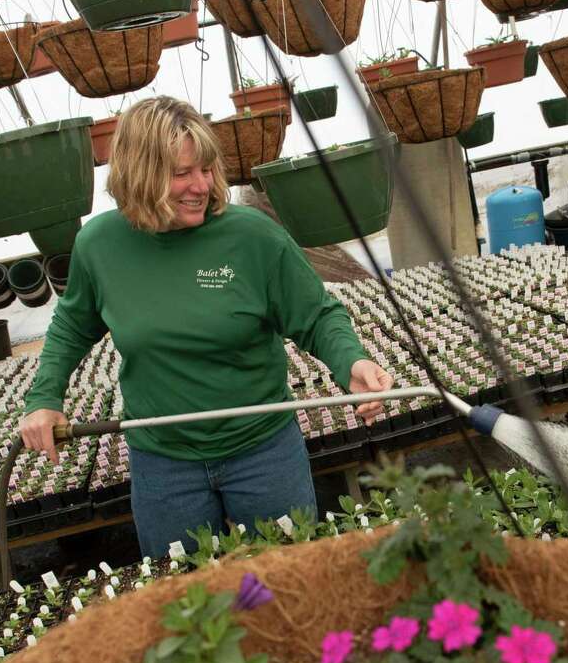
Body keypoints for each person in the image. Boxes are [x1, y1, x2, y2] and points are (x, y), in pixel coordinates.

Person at [20, 96, 393, 558]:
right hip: (164, 462)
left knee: (288, 577)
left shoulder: (252, 236)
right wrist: (44, 398)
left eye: (208, 169)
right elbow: (72, 326)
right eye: (182, 173)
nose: (201, 186)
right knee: (186, 591)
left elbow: (317, 315)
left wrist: (351, 361)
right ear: (139, 174)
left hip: (263, 449)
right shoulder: (99, 245)